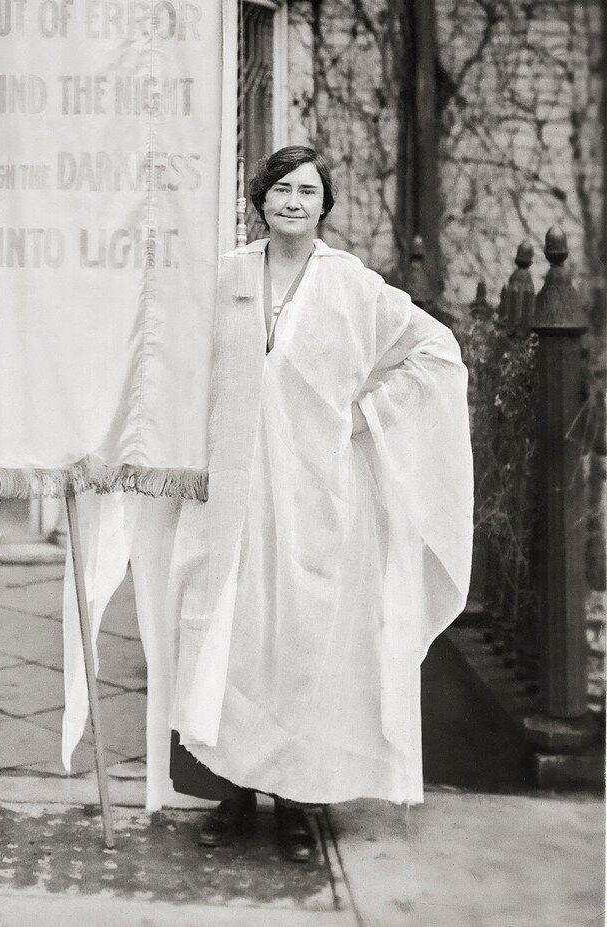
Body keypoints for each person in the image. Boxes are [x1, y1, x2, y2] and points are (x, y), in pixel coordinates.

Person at [61, 145, 474, 865]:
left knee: (301, 647)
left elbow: (434, 351)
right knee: (223, 642)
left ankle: (295, 805)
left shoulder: (352, 287)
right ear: (261, 198)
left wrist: (364, 414)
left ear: (324, 204)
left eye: (307, 190)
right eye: (281, 188)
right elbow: (165, 355)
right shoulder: (223, 277)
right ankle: (231, 797)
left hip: (315, 498)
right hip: (228, 497)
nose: (292, 201)